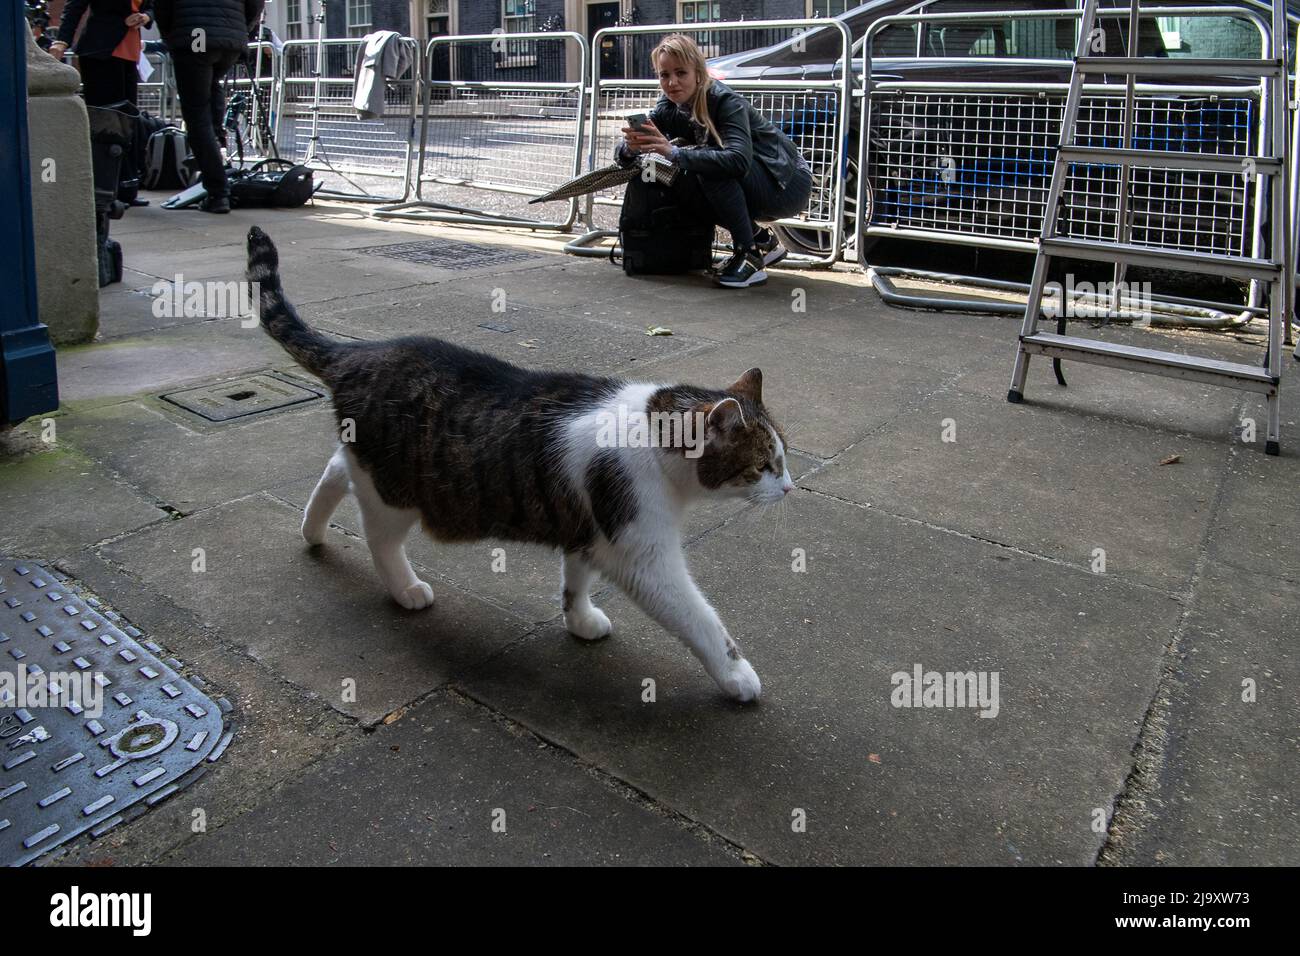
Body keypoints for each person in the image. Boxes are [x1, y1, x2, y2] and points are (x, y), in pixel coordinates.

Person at [616, 33, 813, 289]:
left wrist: (673, 153)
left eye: (680, 73)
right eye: (664, 75)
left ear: (698, 73)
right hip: (759, 180)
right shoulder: (669, 105)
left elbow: (738, 161)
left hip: (788, 183)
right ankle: (761, 240)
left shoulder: (724, 101)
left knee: (708, 167)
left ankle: (750, 256)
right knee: (680, 177)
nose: (672, 82)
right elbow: (626, 155)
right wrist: (630, 149)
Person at [152, 0, 265, 214]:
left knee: (196, 114)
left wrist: (171, 37)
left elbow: (163, 8)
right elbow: (256, 5)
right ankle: (214, 159)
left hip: (197, 35)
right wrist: (242, 28)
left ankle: (217, 190)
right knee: (211, 89)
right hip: (229, 39)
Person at [47, 1, 154, 108]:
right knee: (104, 112)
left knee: (129, 115)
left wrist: (147, 16)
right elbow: (74, 8)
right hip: (100, 50)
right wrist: (62, 41)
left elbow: (152, 6)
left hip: (131, 51)